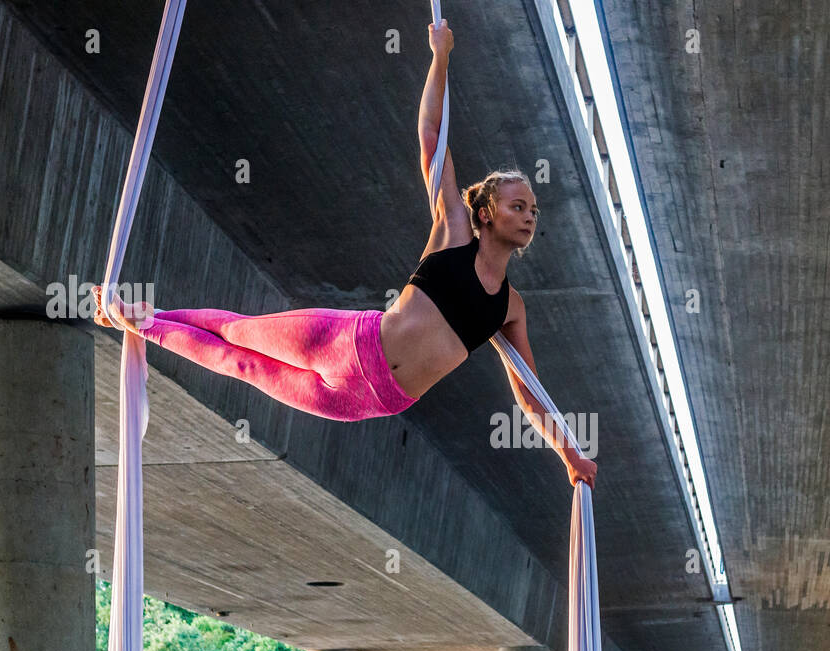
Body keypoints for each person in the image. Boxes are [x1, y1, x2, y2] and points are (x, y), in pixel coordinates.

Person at [95, 19, 596, 488]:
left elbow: (529, 395)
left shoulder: (510, 309)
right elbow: (430, 137)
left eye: (533, 209)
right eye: (519, 206)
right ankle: (142, 319)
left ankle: (141, 319)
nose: (531, 216)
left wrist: (567, 454)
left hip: (364, 403)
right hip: (345, 343)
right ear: (487, 213)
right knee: (237, 339)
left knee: (242, 367)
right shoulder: (455, 231)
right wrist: (440, 56)